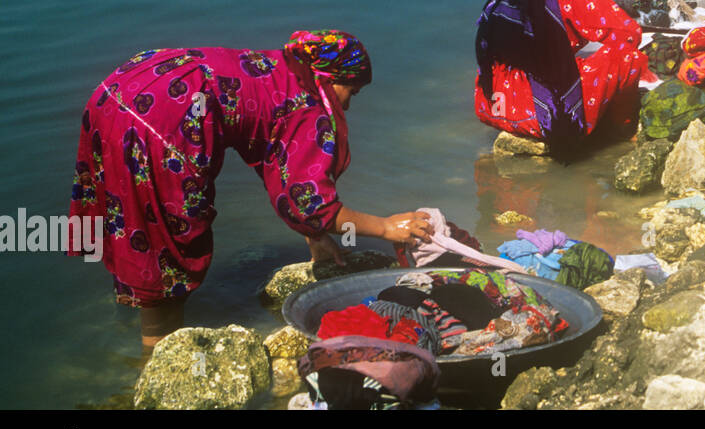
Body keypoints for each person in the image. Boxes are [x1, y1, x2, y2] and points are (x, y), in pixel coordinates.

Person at [68, 30, 434, 351]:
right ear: (329, 77)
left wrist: (314, 236)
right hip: (163, 118)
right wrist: (387, 228)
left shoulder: (278, 70)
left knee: (133, 217)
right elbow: (311, 204)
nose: (349, 105)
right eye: (351, 91)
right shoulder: (308, 103)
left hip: (121, 89)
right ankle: (156, 354)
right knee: (168, 239)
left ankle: (134, 325)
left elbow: (282, 167)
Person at [474, 0, 646, 155]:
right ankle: (621, 131)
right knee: (628, 56)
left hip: (493, 104)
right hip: (543, 115)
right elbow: (628, 32)